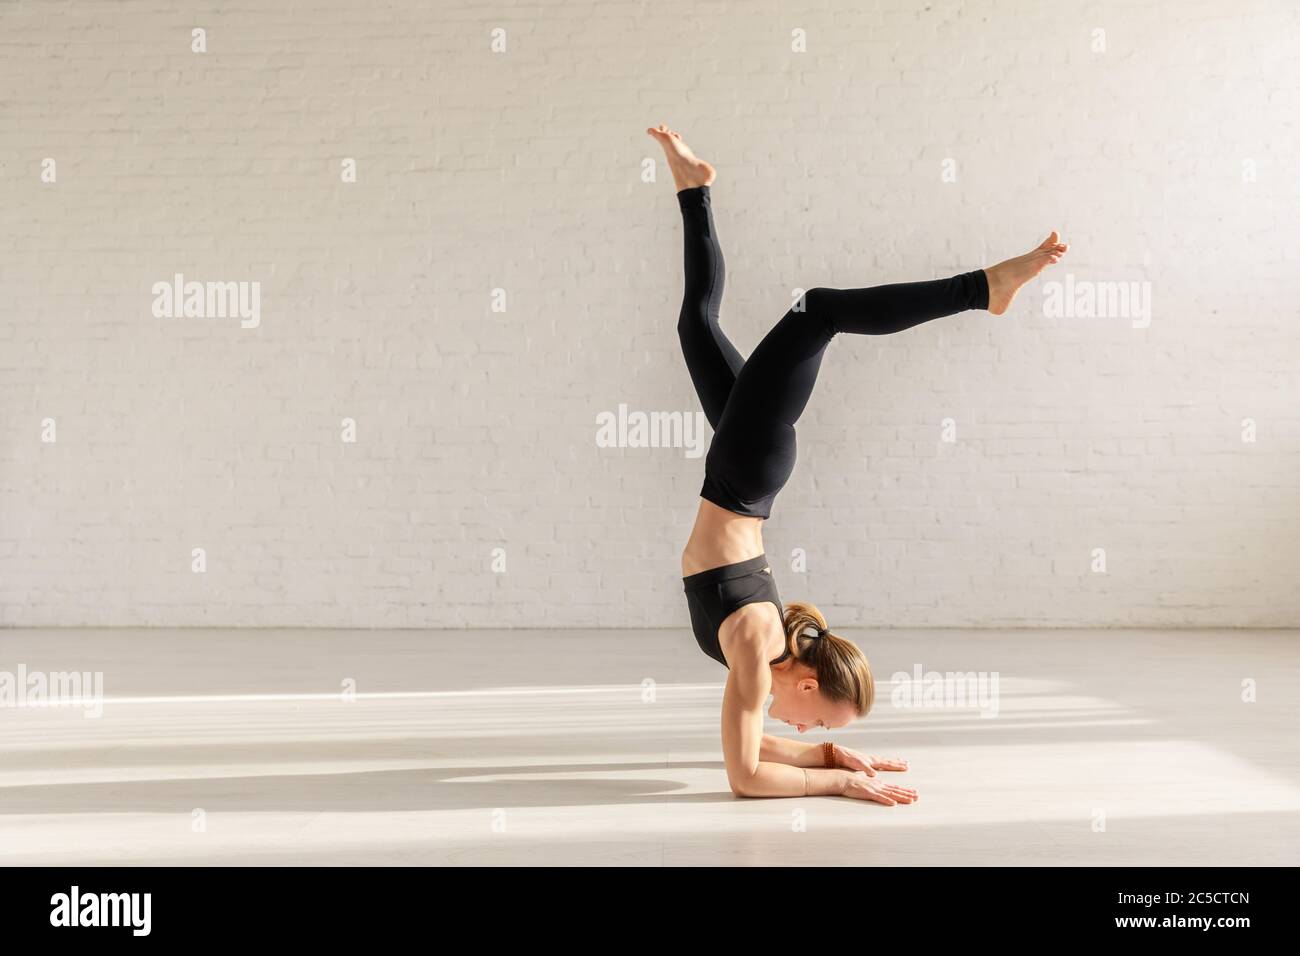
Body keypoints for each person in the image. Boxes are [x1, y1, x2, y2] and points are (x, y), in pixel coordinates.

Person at [649, 124, 1068, 804]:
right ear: (807, 682)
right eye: (813, 717)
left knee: (696, 325)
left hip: (743, 476)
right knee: (815, 310)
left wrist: (823, 752)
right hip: (745, 471)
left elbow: (750, 753)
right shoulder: (759, 650)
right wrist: (836, 780)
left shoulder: (763, 654)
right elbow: (747, 776)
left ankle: (695, 191)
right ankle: (982, 289)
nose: (799, 722)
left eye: (812, 727)